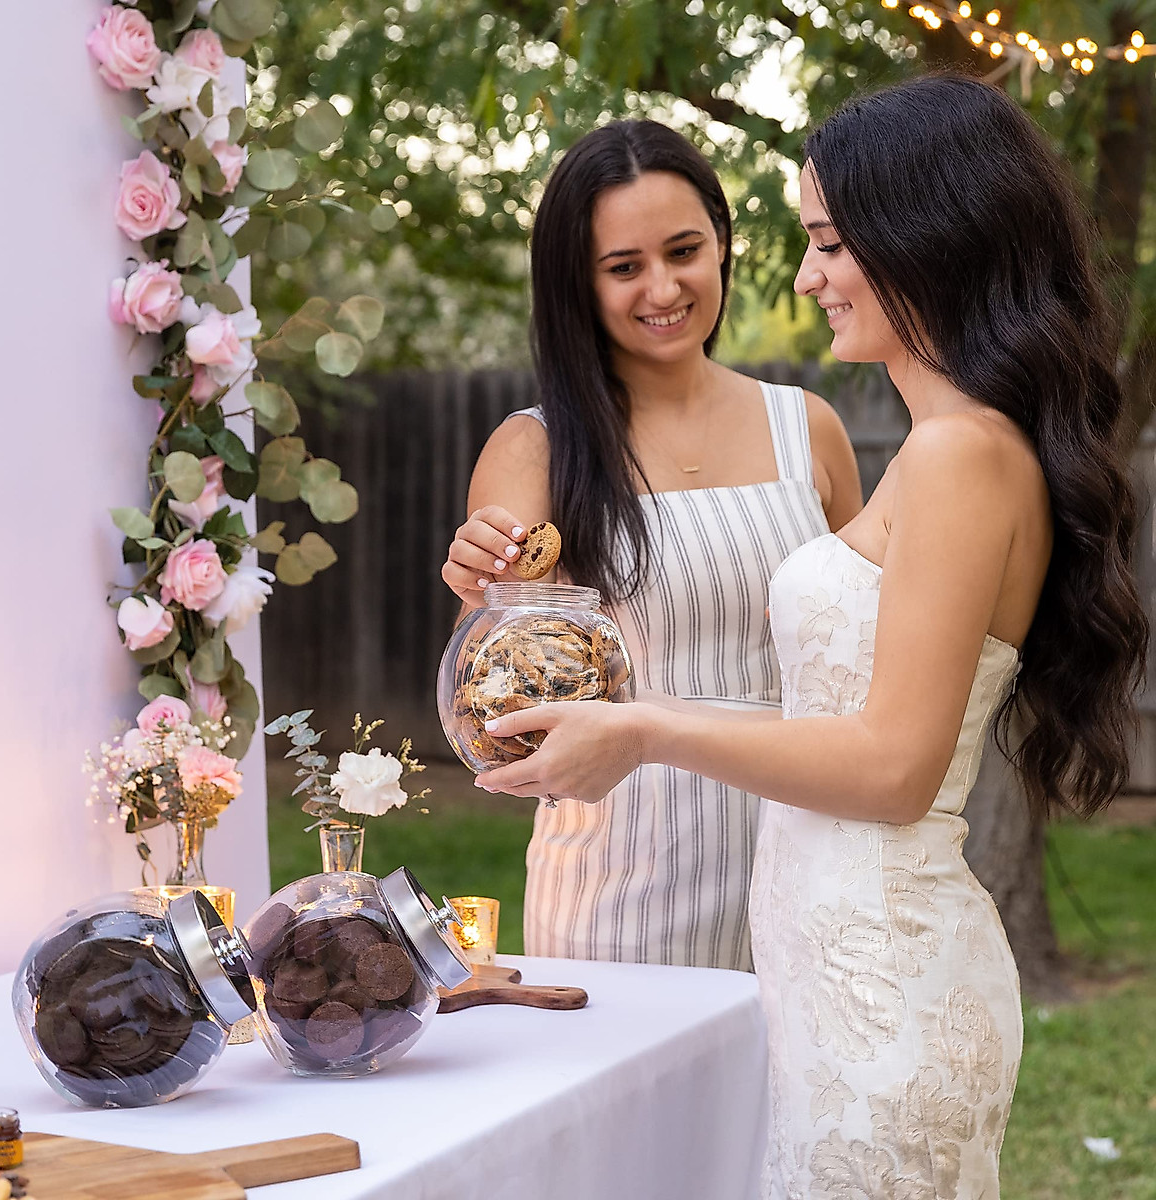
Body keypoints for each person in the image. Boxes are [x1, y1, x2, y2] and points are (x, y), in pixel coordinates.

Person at [472, 76, 1149, 1197]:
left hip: (879, 976)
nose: (804, 277)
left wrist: (642, 729)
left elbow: (891, 765)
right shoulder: (945, 449)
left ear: (926, 237)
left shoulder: (955, 456)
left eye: (831, 243)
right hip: (823, 962)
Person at [442, 119, 862, 971]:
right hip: (623, 888)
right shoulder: (538, 450)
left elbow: (861, 649)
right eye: (623, 267)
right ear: (578, 284)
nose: (663, 287)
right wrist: (476, 585)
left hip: (813, 870)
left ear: (722, 244)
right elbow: (496, 694)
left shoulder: (807, 428)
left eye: (684, 251)